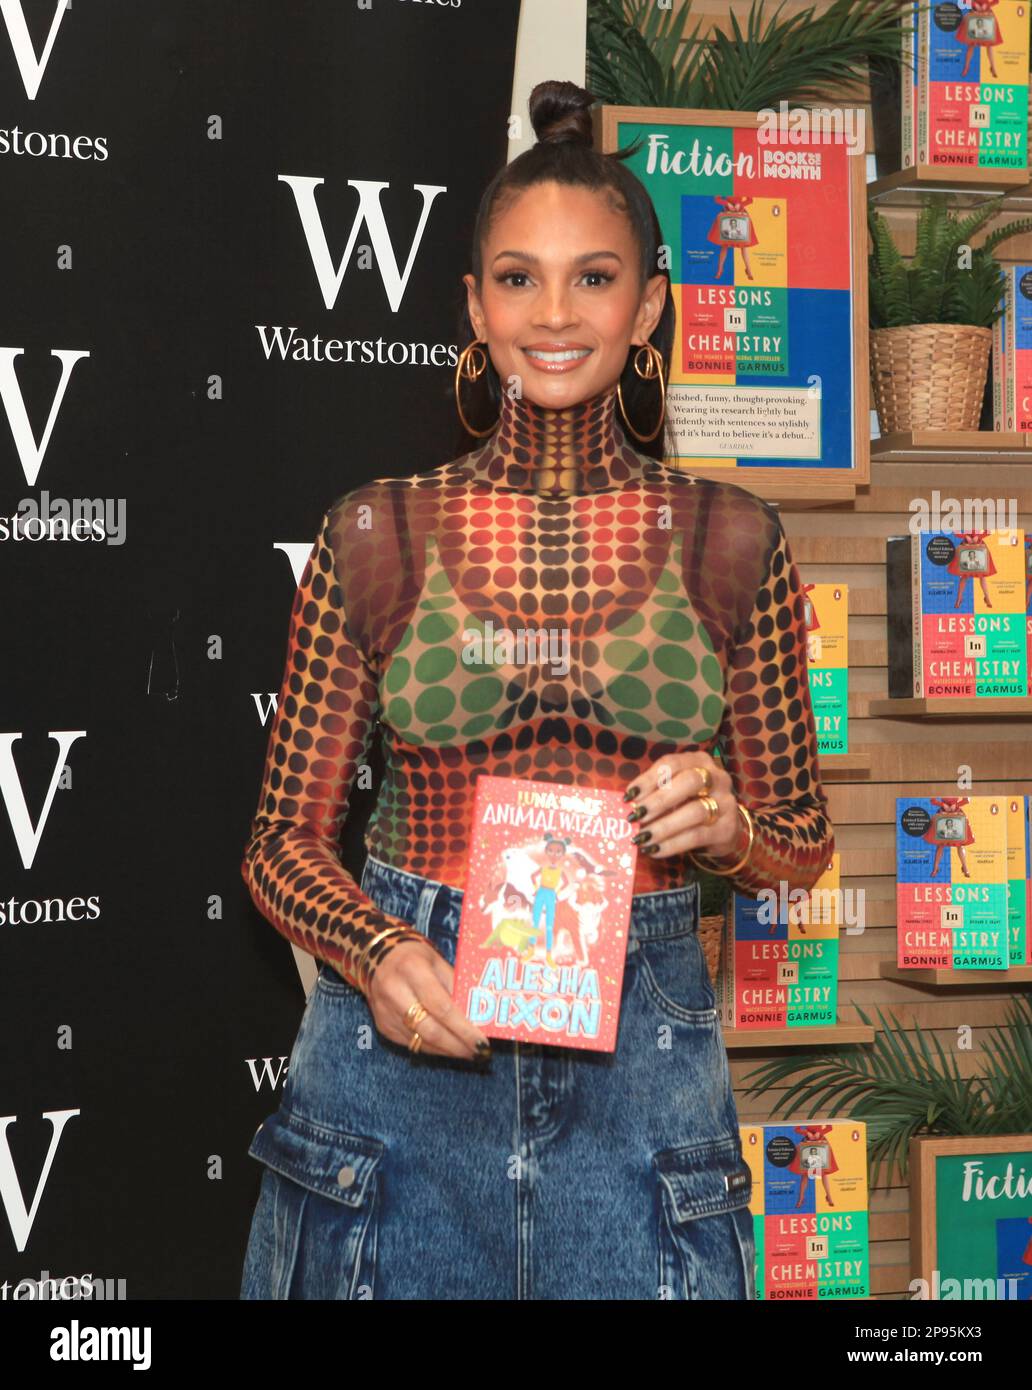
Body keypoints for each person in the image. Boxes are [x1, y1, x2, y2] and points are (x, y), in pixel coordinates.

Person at [238, 78, 835, 1301]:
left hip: (642, 1063)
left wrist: (731, 827)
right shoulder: (375, 534)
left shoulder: (733, 537)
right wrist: (375, 943)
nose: (554, 314)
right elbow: (280, 844)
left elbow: (803, 841)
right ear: (472, 303)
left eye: (594, 277)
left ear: (652, 303)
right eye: (518, 278)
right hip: (406, 1052)